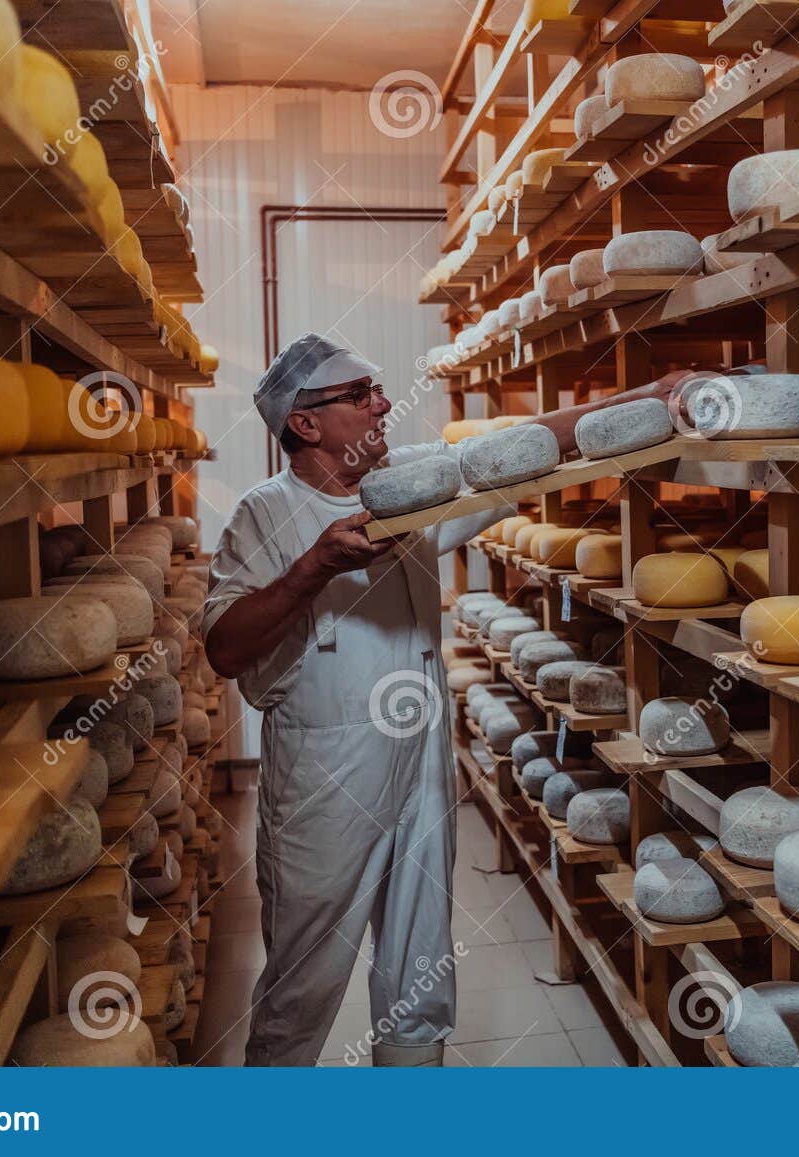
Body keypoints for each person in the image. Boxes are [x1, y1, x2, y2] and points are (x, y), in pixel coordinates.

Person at [203, 332, 685, 1066]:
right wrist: (316, 565)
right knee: (305, 975)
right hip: (325, 776)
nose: (383, 403)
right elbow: (226, 648)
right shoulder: (262, 515)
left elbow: (518, 445)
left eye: (377, 388)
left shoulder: (409, 483)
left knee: (419, 967)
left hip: (421, 767)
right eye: (360, 394)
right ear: (305, 423)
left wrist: (643, 398)